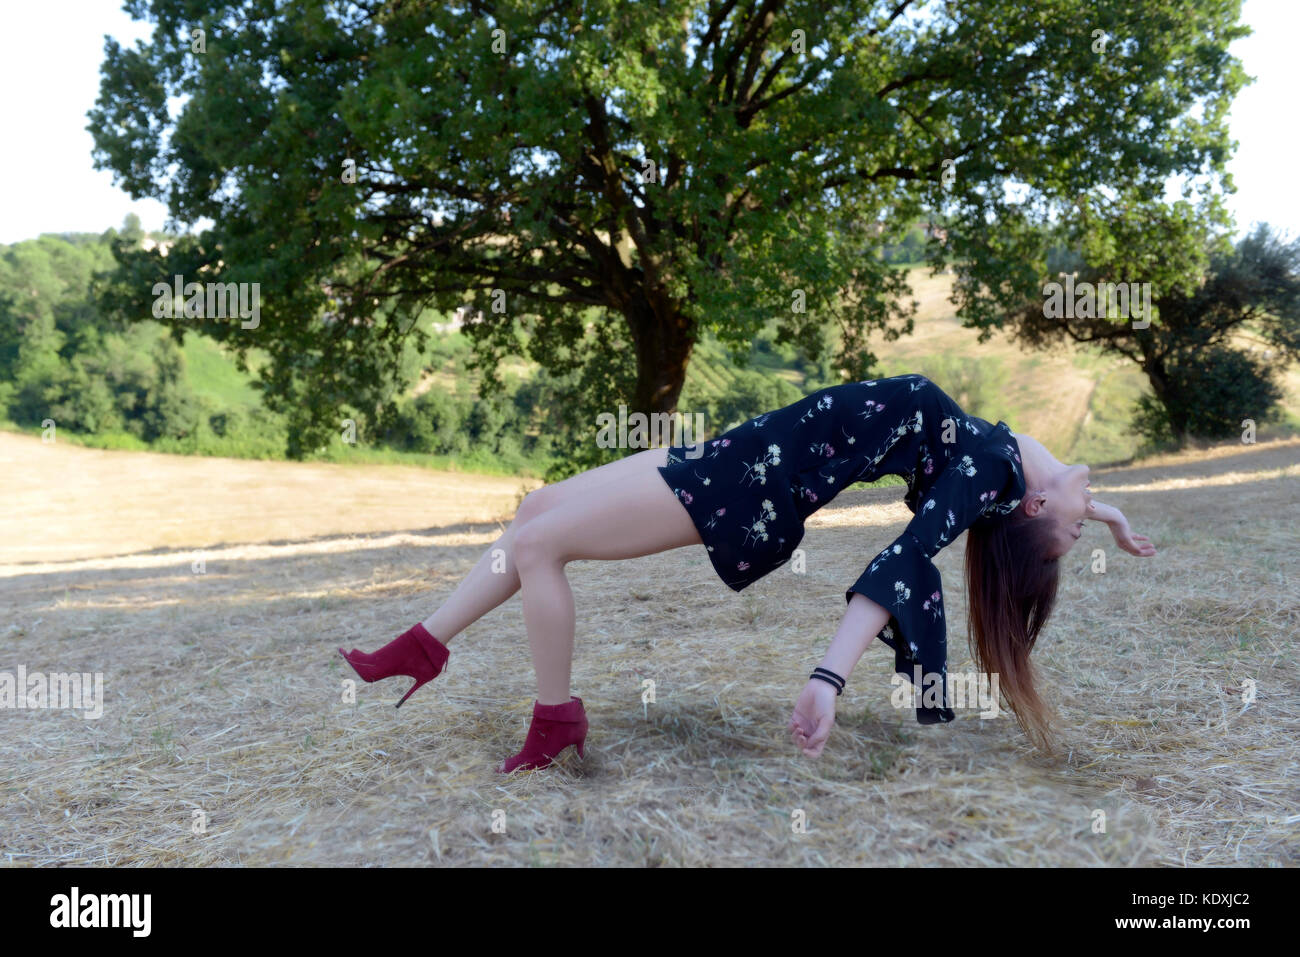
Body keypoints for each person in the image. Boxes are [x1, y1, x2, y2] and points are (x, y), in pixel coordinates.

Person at [340, 374, 1156, 771]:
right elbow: (1060, 505)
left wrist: (829, 675)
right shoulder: (1009, 460)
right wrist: (1110, 516)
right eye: (1083, 526)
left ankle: (555, 716)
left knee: (538, 547)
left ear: (1029, 507)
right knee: (536, 508)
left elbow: (905, 560)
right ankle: (423, 644)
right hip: (740, 447)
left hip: (749, 488)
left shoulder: (989, 470)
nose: (1086, 518)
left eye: (1073, 530)